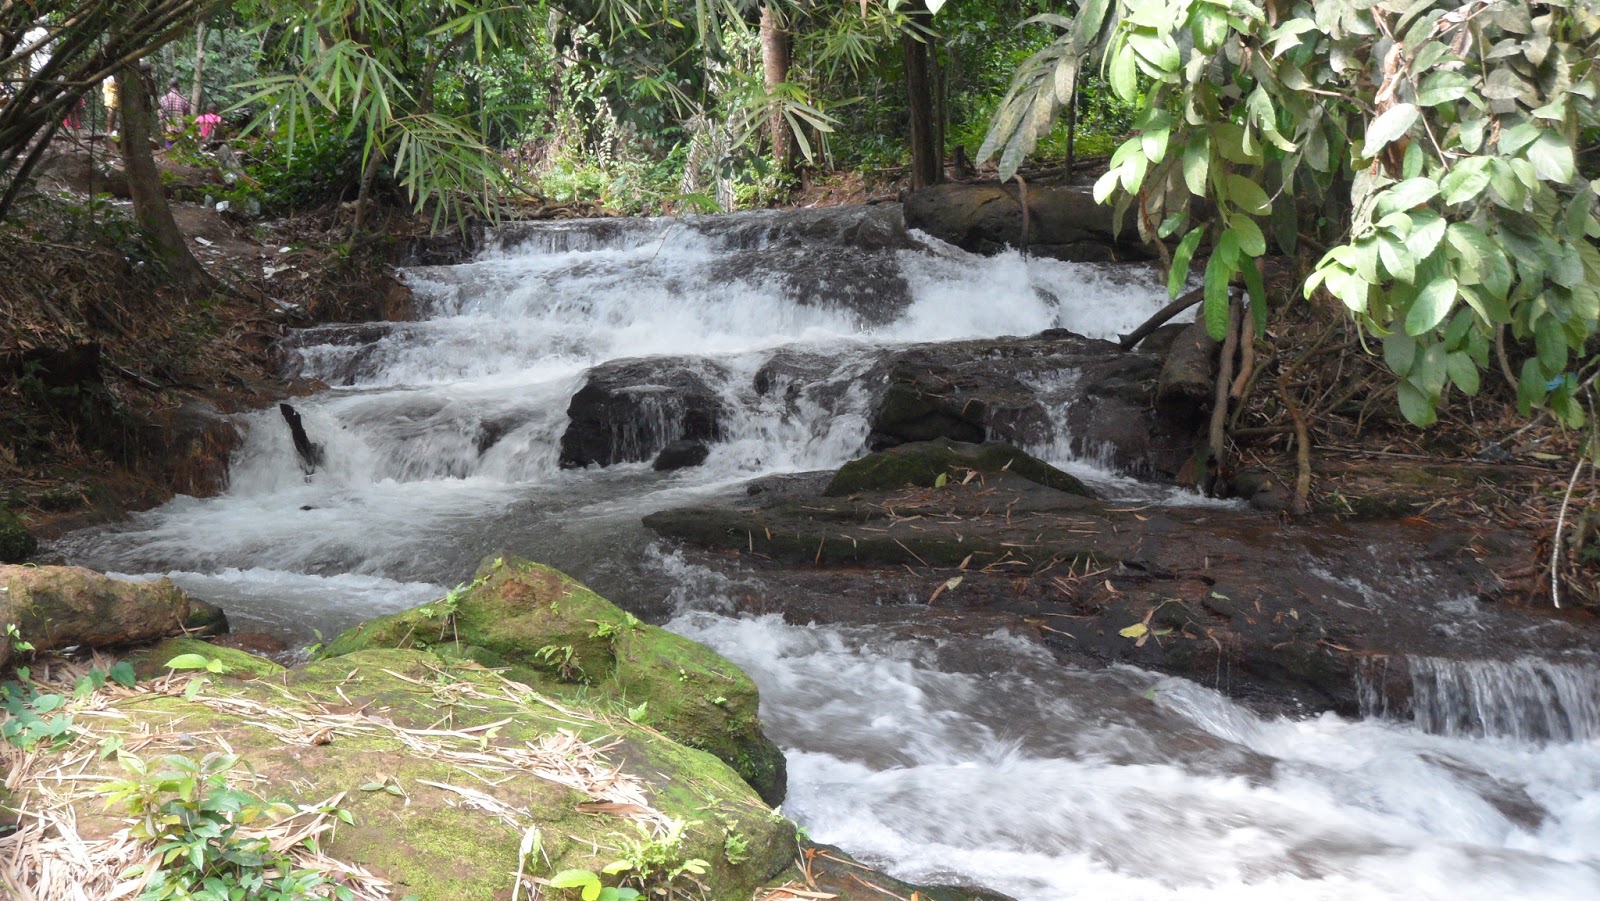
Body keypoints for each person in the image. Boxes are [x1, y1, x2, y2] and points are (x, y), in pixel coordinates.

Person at [158, 77, 189, 145]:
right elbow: (186, 118)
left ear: (168, 86)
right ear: (178, 86)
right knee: (180, 149)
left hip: (169, 130)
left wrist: (162, 130)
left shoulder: (164, 99)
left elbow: (161, 116)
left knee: (169, 149)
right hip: (180, 131)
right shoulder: (184, 99)